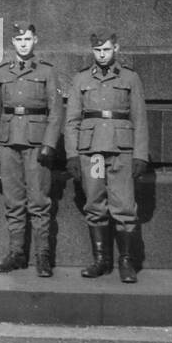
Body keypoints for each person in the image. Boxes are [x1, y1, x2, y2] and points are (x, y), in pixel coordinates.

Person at [64, 28, 149, 283]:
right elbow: (72, 120)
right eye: (98, 50)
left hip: (121, 151)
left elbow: (140, 118)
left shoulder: (130, 78)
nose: (102, 54)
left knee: (124, 206)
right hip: (93, 154)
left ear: (116, 48)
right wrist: (71, 155)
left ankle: (126, 261)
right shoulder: (81, 80)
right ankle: (101, 260)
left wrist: (140, 155)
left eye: (106, 49)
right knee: (95, 203)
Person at [0, 23, 64, 277]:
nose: (23, 43)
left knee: (39, 201)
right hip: (8, 143)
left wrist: (50, 143)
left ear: (35, 40)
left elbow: (56, 111)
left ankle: (42, 256)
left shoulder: (47, 72)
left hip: (36, 143)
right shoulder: (1, 73)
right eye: (18, 39)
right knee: (13, 201)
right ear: (12, 42)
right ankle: (17, 253)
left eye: (27, 39)